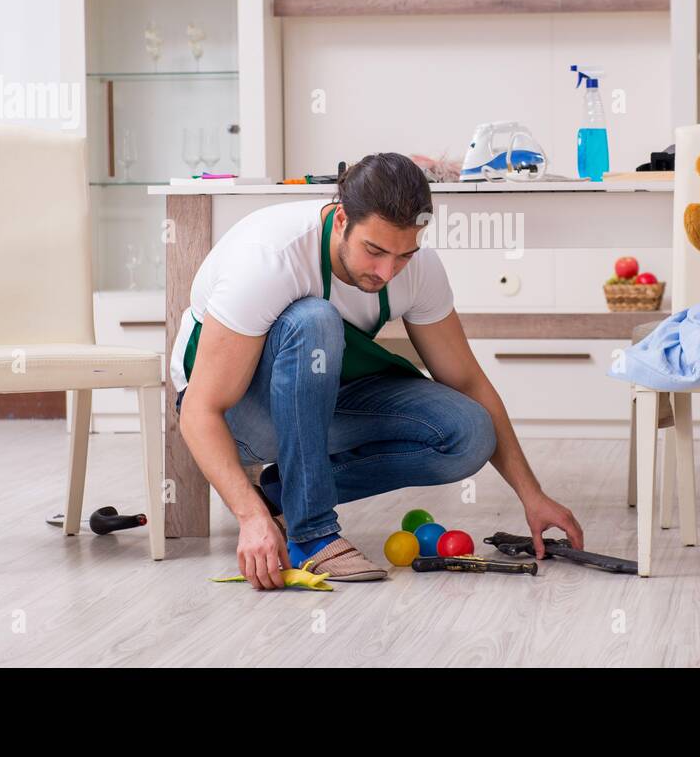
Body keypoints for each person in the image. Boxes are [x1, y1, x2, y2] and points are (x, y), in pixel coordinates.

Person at [173, 152, 584, 589]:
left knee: (469, 433)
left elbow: (466, 381)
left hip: (324, 402)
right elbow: (200, 410)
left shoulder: (420, 269)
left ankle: (281, 497)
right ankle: (312, 534)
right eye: (374, 251)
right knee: (313, 320)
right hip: (240, 418)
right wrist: (249, 519)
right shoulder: (270, 258)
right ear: (343, 219)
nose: (387, 272)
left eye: (404, 254)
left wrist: (531, 494)